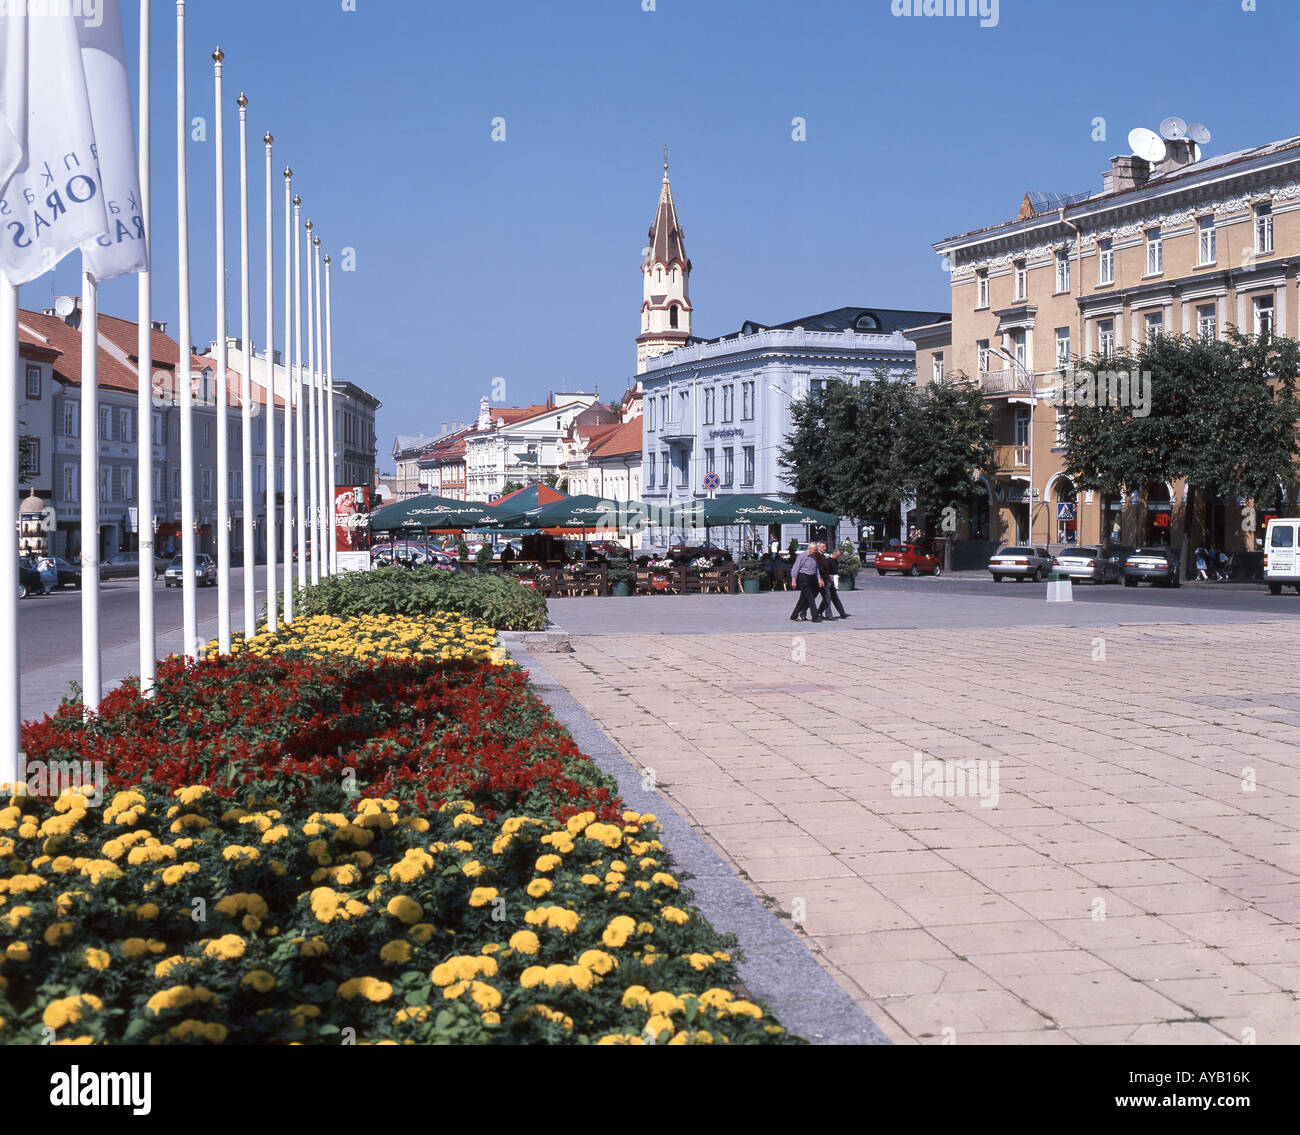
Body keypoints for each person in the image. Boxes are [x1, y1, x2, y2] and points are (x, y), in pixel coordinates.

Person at [788, 546, 823, 622]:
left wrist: (819, 578)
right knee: (810, 598)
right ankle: (815, 617)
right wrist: (793, 580)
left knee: (803, 599)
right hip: (803, 578)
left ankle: (794, 615)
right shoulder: (802, 556)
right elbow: (795, 569)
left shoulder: (814, 556)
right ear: (809, 548)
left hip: (812, 578)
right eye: (815, 549)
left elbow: (816, 568)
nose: (816, 551)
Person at [815, 542, 850, 620]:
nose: (825, 548)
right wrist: (821, 579)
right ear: (819, 548)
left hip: (828, 580)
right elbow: (820, 569)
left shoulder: (823, 556)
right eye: (824, 547)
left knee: (833, 597)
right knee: (827, 598)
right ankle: (827, 615)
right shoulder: (819, 557)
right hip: (824, 580)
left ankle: (842, 613)